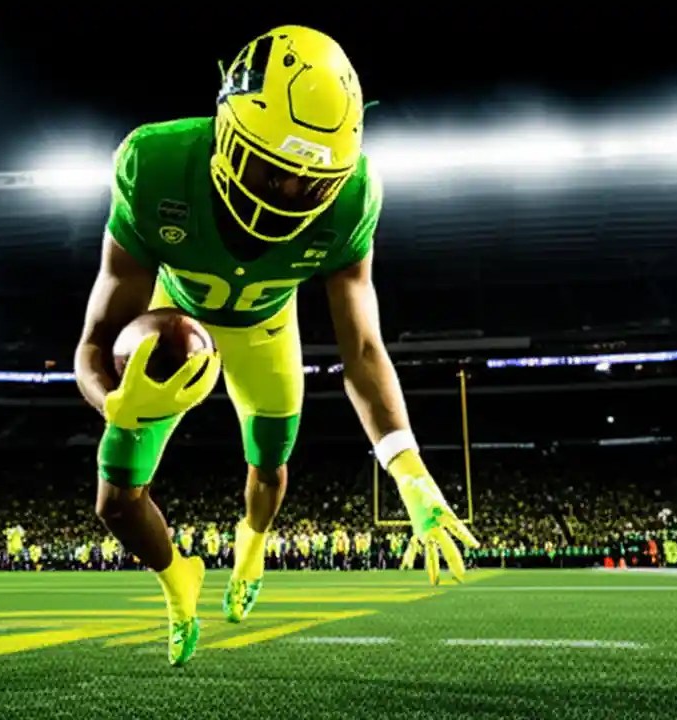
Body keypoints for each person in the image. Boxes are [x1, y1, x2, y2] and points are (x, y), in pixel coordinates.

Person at [72, 25, 478, 668]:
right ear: (227, 131)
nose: (287, 195)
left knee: (269, 464)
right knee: (115, 502)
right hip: (175, 331)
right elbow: (95, 340)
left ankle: (252, 544)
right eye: (271, 169)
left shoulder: (354, 199)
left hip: (266, 331)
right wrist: (112, 403)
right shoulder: (155, 164)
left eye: (311, 183)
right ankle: (180, 583)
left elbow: (364, 351)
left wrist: (412, 474)